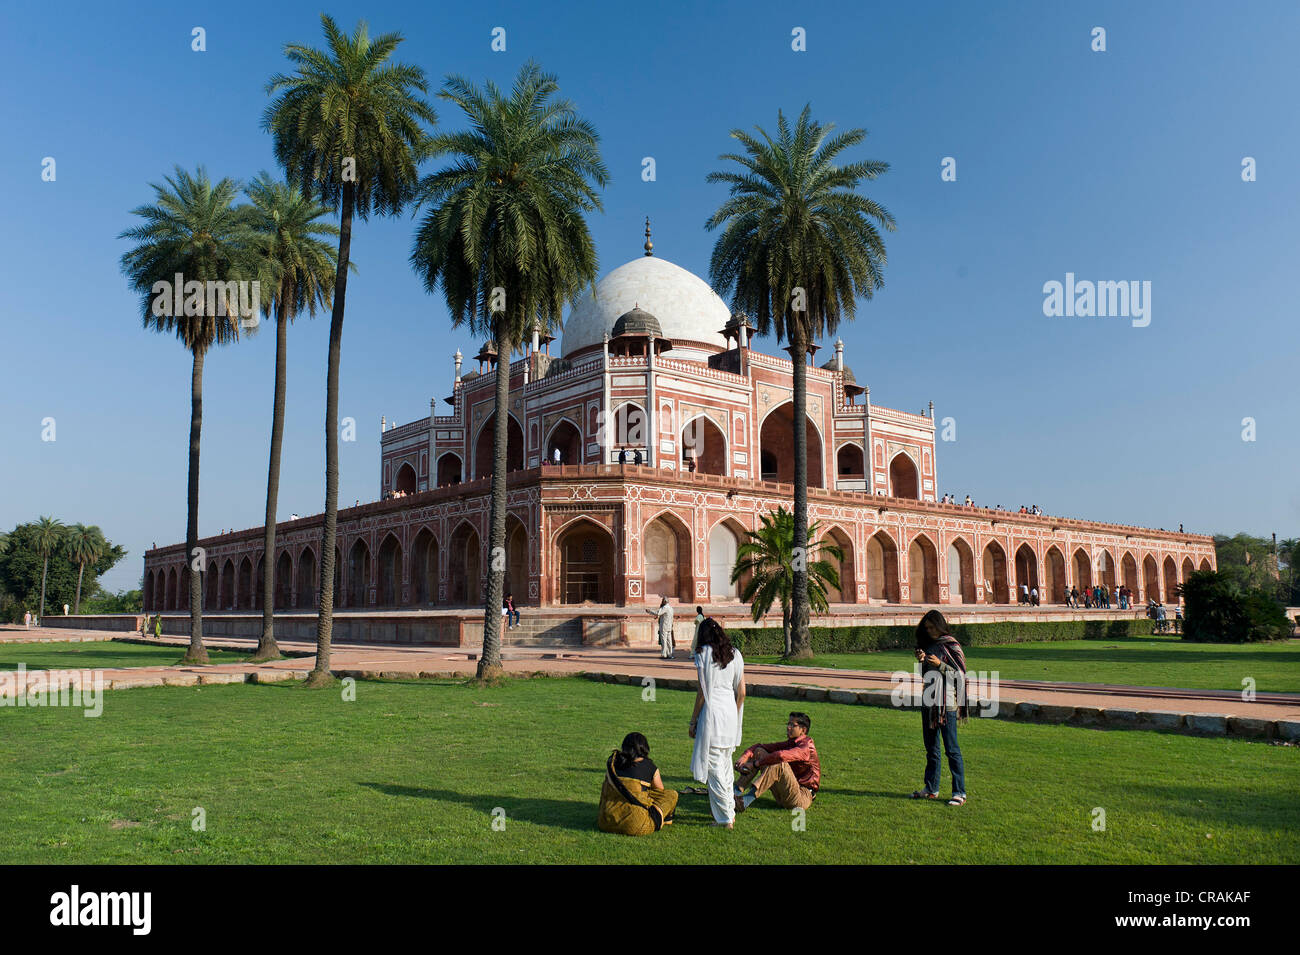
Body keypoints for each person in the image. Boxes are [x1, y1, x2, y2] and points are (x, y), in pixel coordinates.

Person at [690, 618, 746, 828]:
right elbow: (741, 693)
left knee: (714, 769)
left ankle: (724, 818)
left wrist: (693, 720)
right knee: (724, 766)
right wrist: (733, 714)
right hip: (730, 712)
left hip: (712, 713)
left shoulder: (702, 654)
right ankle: (728, 813)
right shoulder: (735, 654)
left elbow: (702, 693)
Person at [911, 609, 968, 807]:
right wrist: (922, 662)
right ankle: (931, 788)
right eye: (926, 628)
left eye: (932, 627)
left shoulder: (951, 644)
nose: (929, 631)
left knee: (951, 749)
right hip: (929, 701)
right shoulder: (928, 645)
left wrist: (940, 664)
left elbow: (960, 676)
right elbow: (925, 675)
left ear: (939, 625)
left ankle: (959, 792)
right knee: (932, 749)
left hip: (947, 704)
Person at [734, 712, 820, 814]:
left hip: (801, 797)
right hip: (785, 792)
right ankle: (734, 793)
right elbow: (761, 746)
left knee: (779, 764)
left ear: (803, 730)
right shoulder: (790, 743)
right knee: (759, 751)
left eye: (792, 725)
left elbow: (780, 756)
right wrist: (745, 756)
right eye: (788, 724)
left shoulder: (806, 746)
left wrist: (755, 764)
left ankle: (744, 802)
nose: (788, 727)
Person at [596, 732, 678, 835]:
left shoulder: (612, 762)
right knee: (671, 794)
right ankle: (665, 819)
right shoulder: (649, 766)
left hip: (605, 822)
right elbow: (660, 792)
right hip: (636, 826)